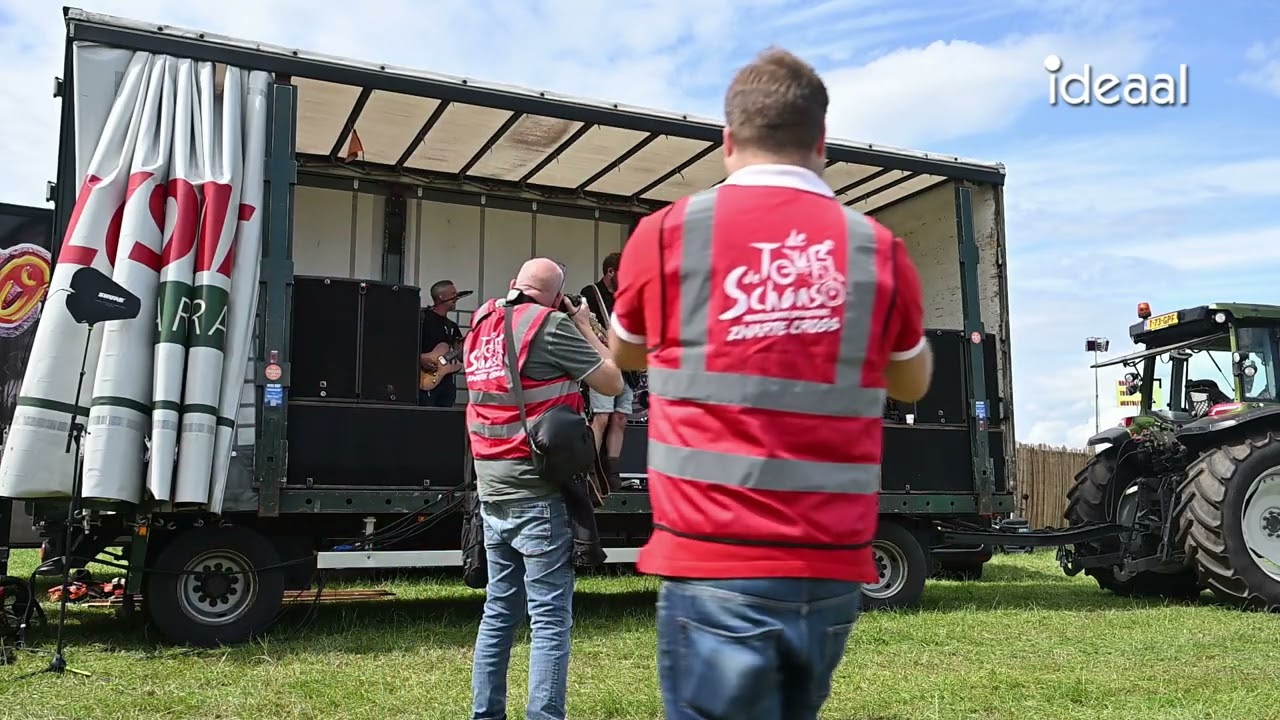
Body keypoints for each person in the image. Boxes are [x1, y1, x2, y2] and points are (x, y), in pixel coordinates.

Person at [608, 47, 933, 720]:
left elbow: (625, 354)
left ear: (727, 140)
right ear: (821, 143)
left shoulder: (665, 235)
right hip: (832, 569)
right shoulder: (877, 248)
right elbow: (912, 382)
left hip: (713, 565)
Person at [466, 257, 623, 720]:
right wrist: (580, 322)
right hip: (537, 493)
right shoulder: (550, 325)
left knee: (499, 613)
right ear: (556, 297)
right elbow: (611, 380)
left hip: (491, 488)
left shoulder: (482, 320)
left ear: (514, 285)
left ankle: (486, 713)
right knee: (551, 619)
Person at [580, 252, 634, 489]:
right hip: (601, 364)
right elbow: (583, 327)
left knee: (620, 418)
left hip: (626, 365)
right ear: (611, 271)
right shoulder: (590, 294)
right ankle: (589, 470)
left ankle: (612, 472)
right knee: (601, 416)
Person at [419, 279, 468, 408]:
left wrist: (471, 345)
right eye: (453, 293)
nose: (456, 297)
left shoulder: (452, 326)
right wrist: (419, 358)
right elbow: (404, 345)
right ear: (441, 297)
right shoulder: (423, 319)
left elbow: (460, 356)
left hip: (446, 385)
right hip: (424, 380)